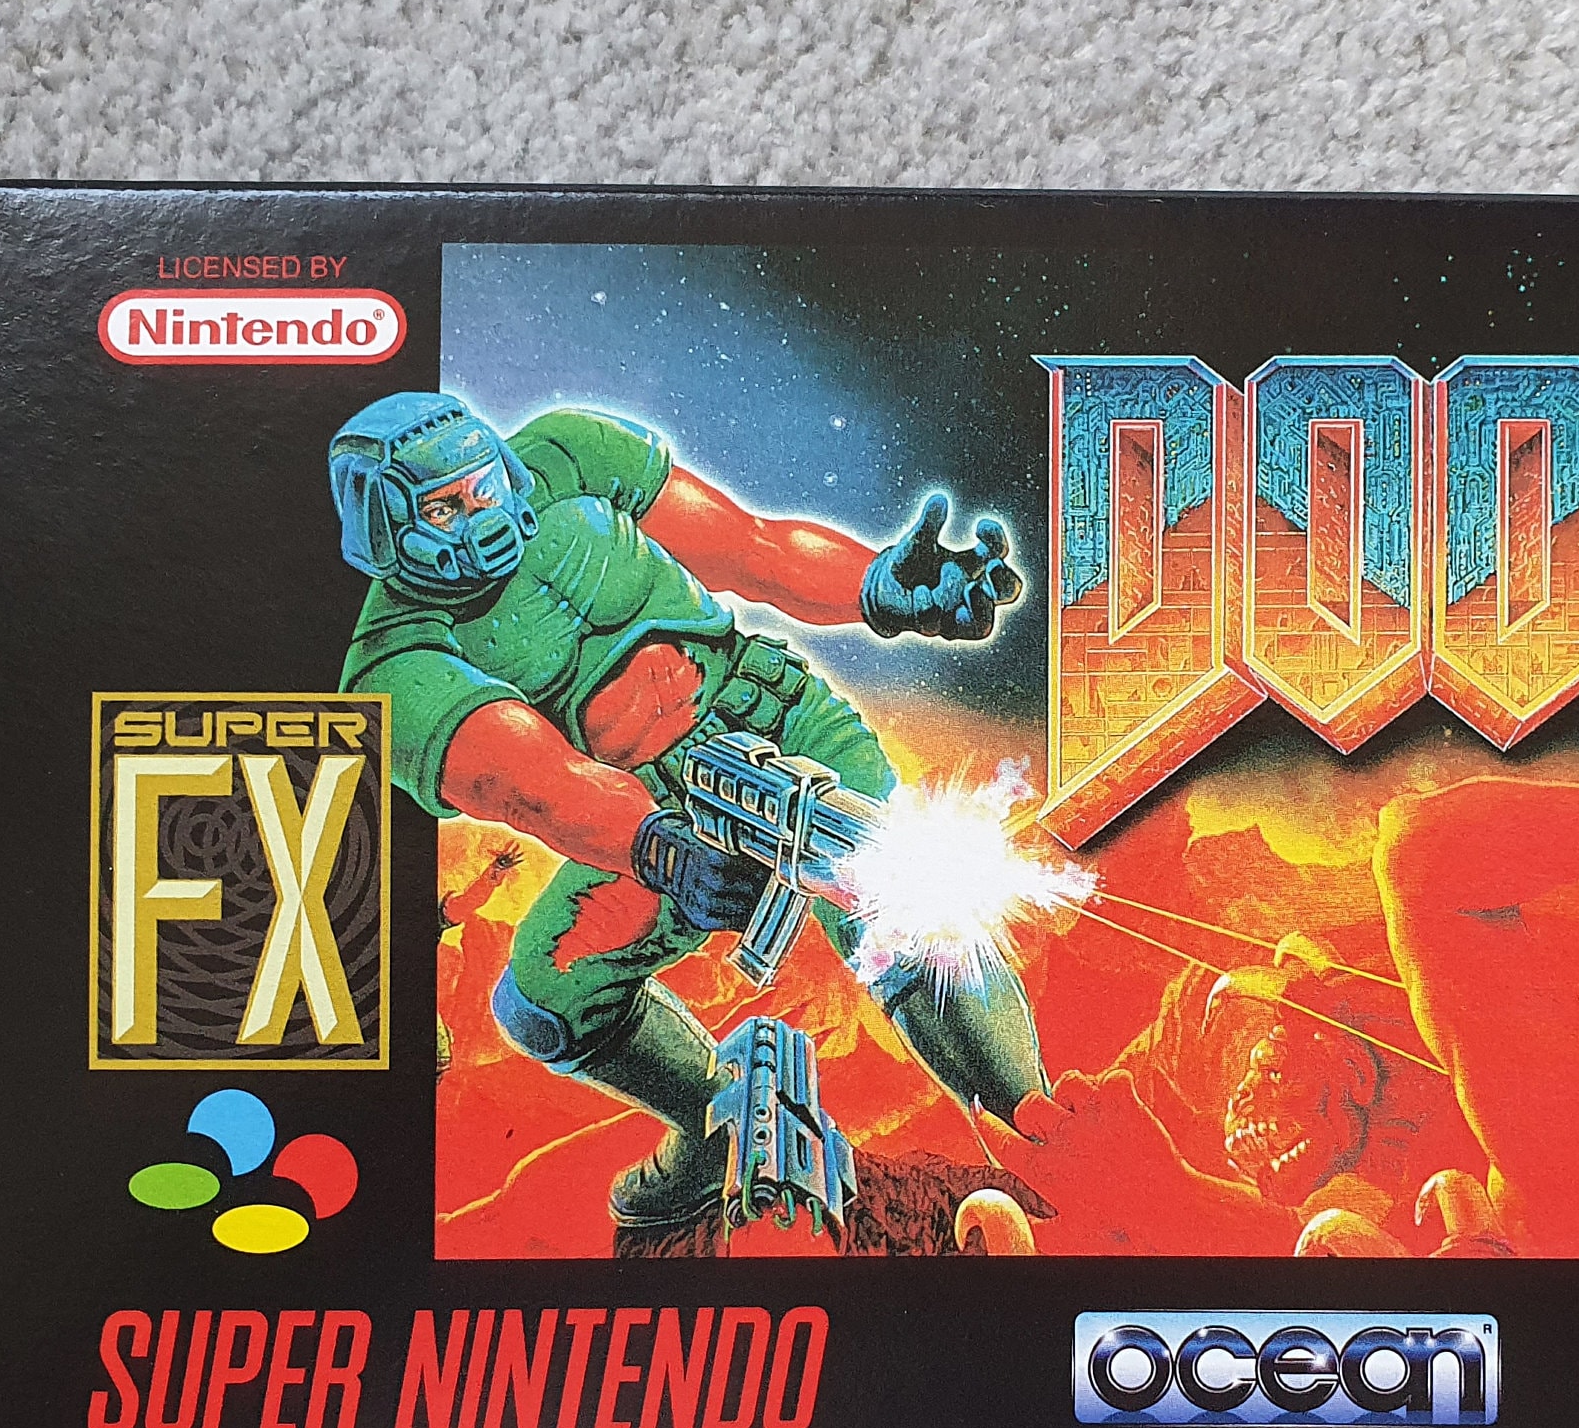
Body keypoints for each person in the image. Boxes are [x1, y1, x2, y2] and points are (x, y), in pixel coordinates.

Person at [329, 391, 1048, 1228]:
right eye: (442, 510)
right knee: (545, 1002)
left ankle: (1044, 1128)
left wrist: (876, 586)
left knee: (899, 900)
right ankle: (718, 1131)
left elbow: (752, 549)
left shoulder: (568, 452)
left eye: (482, 489)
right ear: (384, 530)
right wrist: (660, 850)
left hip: (777, 723)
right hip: (650, 816)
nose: (478, 518)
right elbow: (539, 783)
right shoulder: (395, 665)